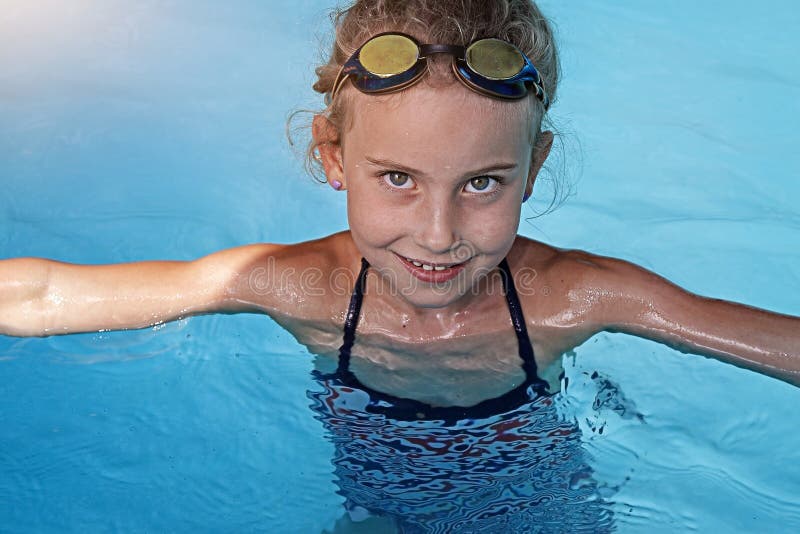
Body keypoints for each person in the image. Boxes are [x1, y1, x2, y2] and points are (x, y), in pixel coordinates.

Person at [0, 0, 797, 529]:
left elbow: (755, 338)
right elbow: (40, 293)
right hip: (379, 505)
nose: (439, 234)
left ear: (536, 162)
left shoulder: (571, 297)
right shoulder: (296, 286)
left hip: (540, 497)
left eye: (483, 182)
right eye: (399, 180)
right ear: (332, 155)